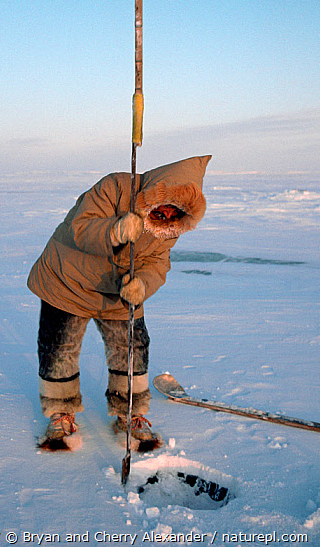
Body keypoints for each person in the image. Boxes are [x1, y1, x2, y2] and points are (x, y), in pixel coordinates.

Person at [27, 155, 212, 449]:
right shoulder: (115, 187)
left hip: (119, 289)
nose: (165, 217)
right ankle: (61, 414)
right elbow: (81, 228)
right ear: (156, 192)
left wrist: (141, 285)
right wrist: (114, 230)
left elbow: (157, 263)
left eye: (173, 215)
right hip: (68, 278)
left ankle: (130, 414)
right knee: (59, 346)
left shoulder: (169, 226)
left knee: (133, 346)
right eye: (161, 209)